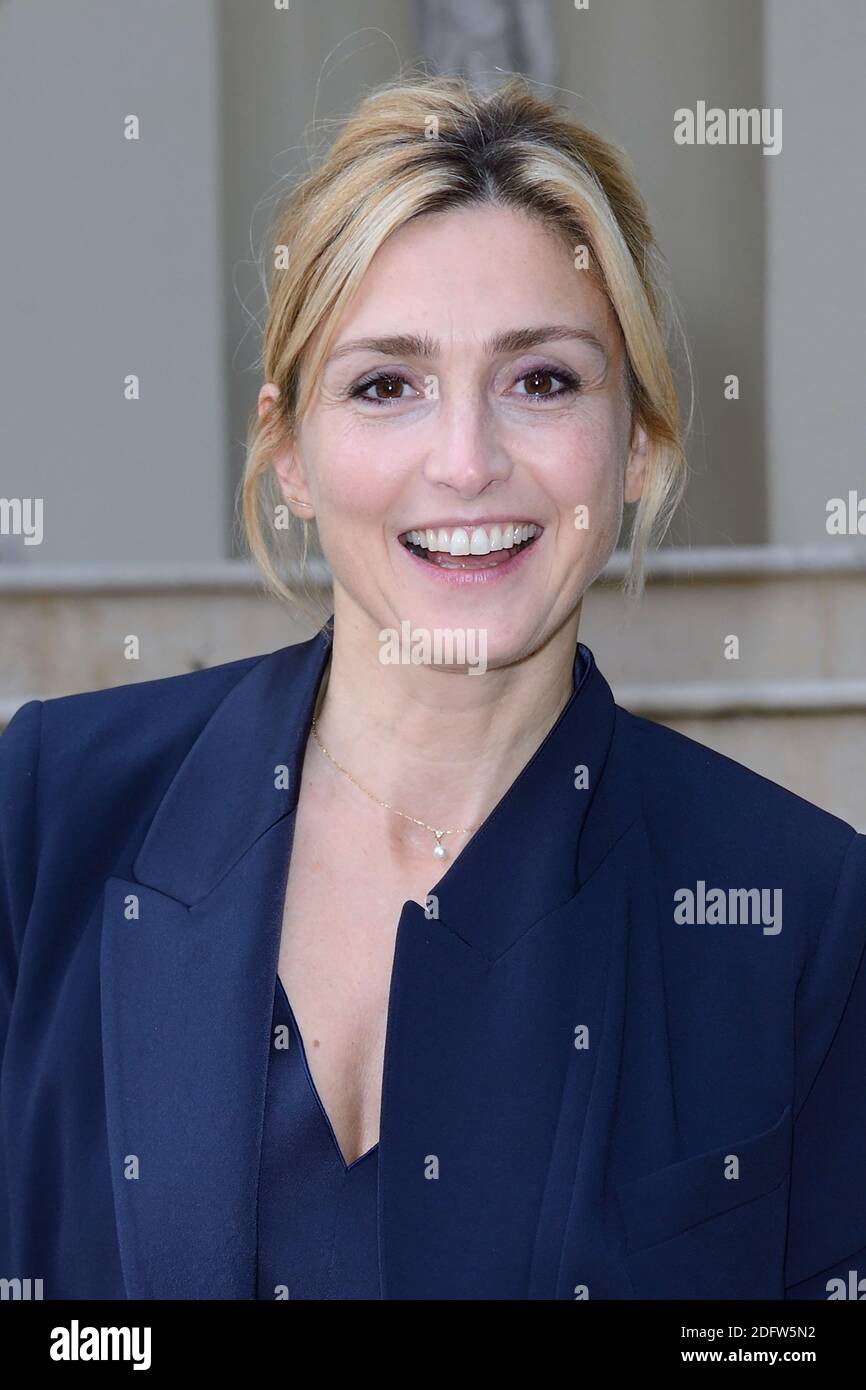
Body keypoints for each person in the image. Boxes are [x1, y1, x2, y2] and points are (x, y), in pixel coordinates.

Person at [1, 73, 864, 1301]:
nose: (465, 463)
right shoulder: (48, 815)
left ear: (636, 446)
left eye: (543, 380)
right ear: (289, 450)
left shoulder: (799, 910)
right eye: (385, 385)